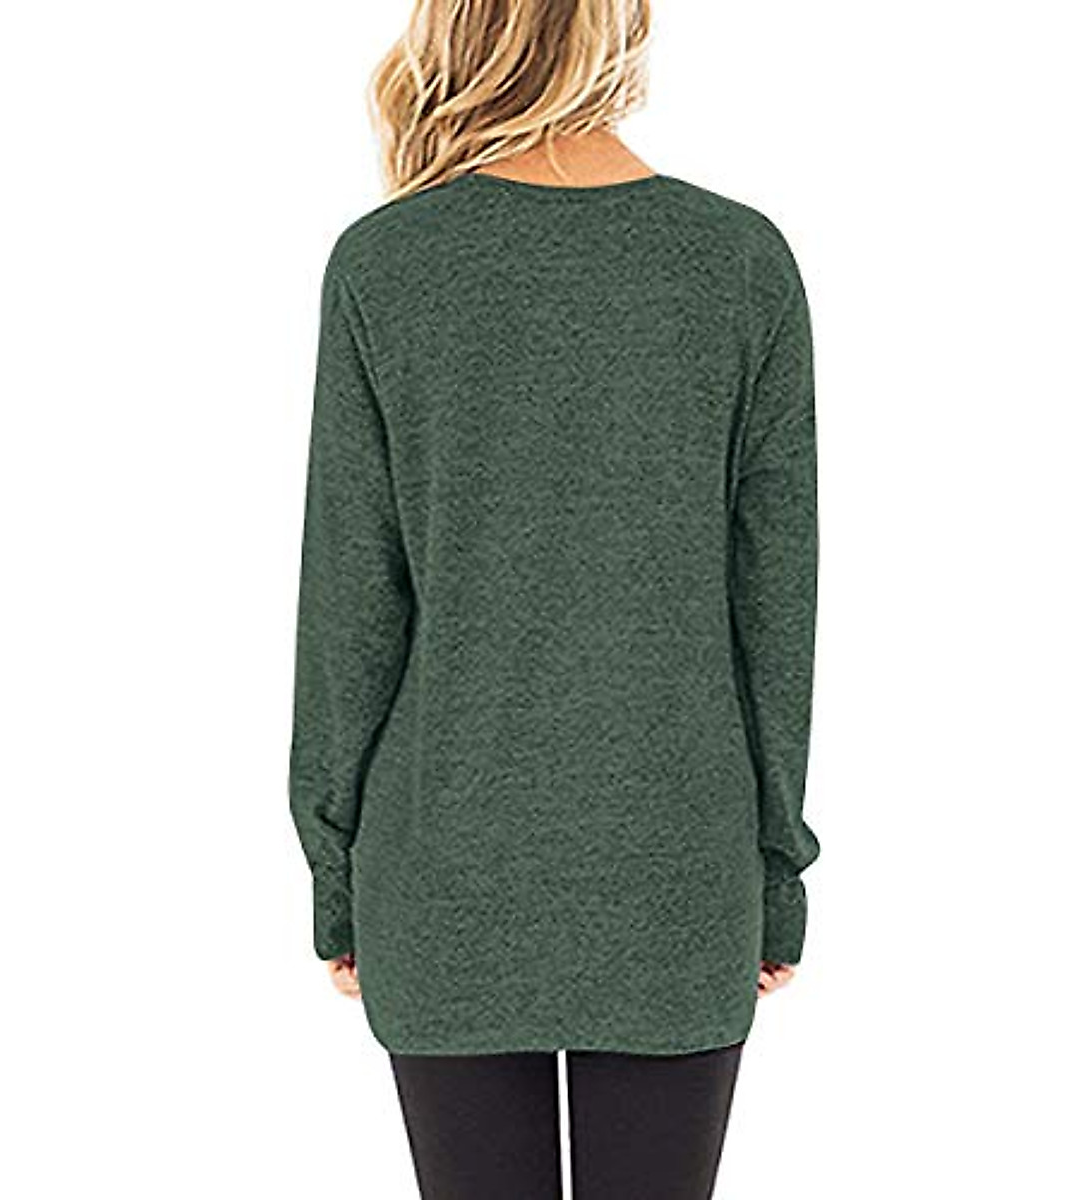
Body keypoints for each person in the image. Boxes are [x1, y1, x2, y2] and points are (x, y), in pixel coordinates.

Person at [288, 1, 821, 1196]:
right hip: (675, 867)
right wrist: (774, 872)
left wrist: (337, 877)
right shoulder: (740, 263)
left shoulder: (387, 266)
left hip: (446, 867)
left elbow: (351, 609)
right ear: (617, 29)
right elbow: (774, 613)